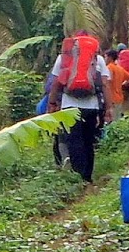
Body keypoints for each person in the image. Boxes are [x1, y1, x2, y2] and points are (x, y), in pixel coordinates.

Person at [44, 31, 111, 182]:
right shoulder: (98, 59)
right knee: (88, 141)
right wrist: (109, 108)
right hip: (92, 107)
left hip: (69, 106)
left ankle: (79, 177)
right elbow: (105, 84)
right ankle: (87, 177)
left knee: (74, 141)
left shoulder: (64, 57)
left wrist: (52, 103)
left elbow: (56, 83)